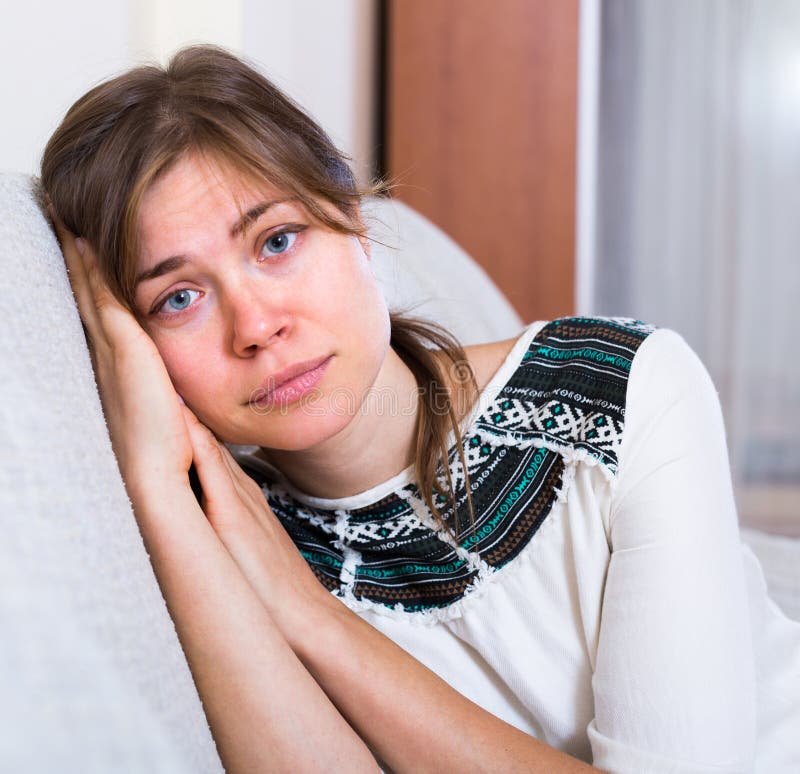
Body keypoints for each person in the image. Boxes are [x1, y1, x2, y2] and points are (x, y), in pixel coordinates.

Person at [41, 45, 798, 773]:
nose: (256, 325)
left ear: (355, 224)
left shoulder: (623, 386)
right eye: (178, 298)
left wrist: (308, 615)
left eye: (277, 241)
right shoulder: (233, 541)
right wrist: (156, 489)